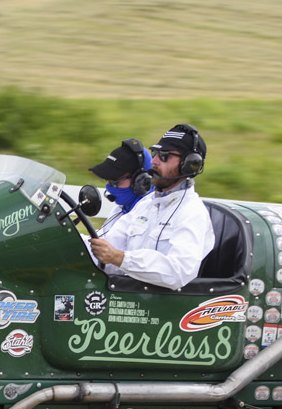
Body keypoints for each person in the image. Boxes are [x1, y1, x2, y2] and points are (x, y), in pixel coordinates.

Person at [87, 124, 215, 290]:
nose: (154, 161)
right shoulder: (146, 205)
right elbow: (105, 248)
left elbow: (178, 273)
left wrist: (120, 258)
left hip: (162, 309)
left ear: (189, 164)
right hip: (129, 299)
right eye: (155, 154)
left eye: (164, 156)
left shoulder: (192, 212)